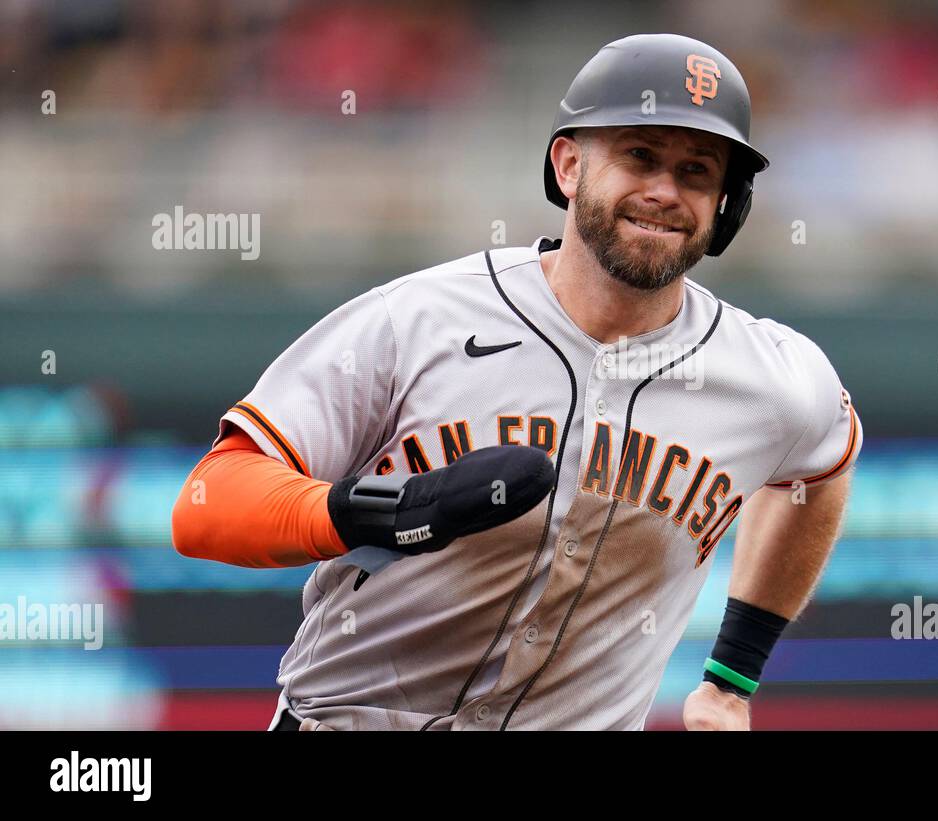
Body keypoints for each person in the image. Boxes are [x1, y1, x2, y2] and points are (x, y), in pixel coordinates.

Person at [171, 33, 861, 731]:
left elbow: (823, 465)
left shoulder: (770, 376)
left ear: (727, 206)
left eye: (696, 171)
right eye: (640, 156)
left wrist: (731, 678)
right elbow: (204, 504)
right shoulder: (418, 319)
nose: (663, 190)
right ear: (568, 165)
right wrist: (384, 509)